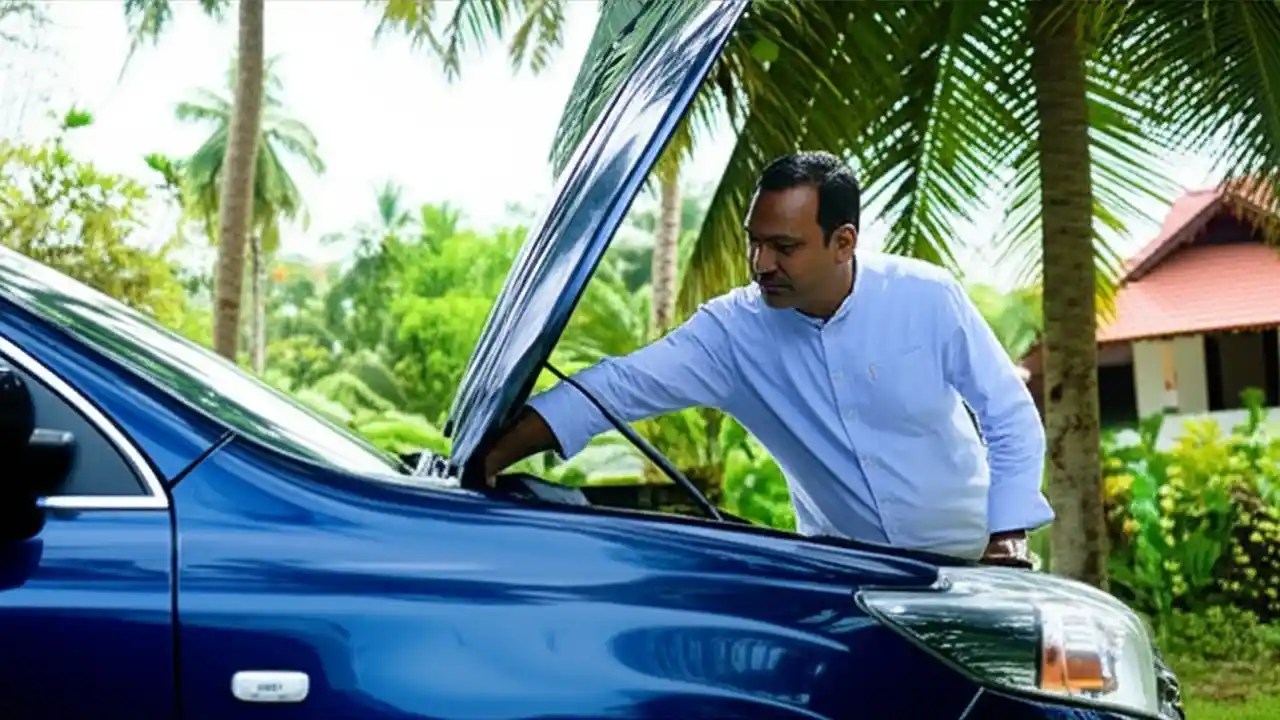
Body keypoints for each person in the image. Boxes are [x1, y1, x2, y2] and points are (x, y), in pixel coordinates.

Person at [482, 150, 1052, 565]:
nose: (761, 264)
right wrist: (491, 457)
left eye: (784, 247)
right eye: (754, 242)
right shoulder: (730, 335)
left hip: (974, 568)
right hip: (845, 582)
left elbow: (1006, 414)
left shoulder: (926, 298)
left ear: (844, 242)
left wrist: (1006, 535)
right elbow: (616, 388)